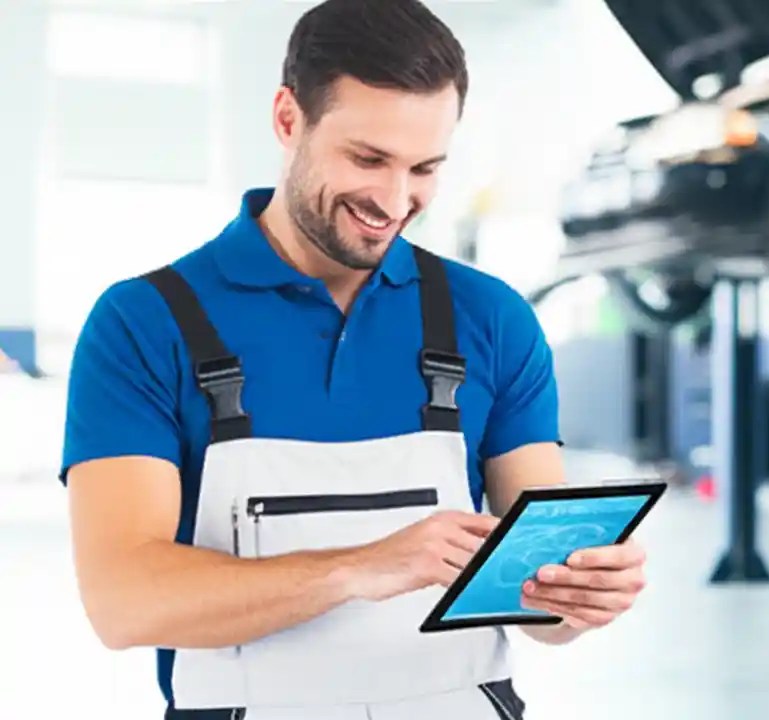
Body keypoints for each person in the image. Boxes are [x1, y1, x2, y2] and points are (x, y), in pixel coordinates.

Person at [59, 1, 649, 718]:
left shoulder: (491, 318)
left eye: (424, 168)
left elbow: (537, 602)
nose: (395, 200)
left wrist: (576, 597)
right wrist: (361, 569)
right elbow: (124, 603)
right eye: (368, 159)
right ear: (288, 119)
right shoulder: (145, 324)